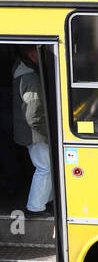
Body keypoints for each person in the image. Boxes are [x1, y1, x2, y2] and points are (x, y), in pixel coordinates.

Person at [12, 47, 51, 214]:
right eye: (39, 53)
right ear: (32, 55)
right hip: (34, 135)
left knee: (47, 167)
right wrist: (49, 135)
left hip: (30, 132)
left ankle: (46, 201)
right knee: (44, 168)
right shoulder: (31, 78)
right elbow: (33, 115)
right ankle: (35, 207)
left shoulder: (22, 70)